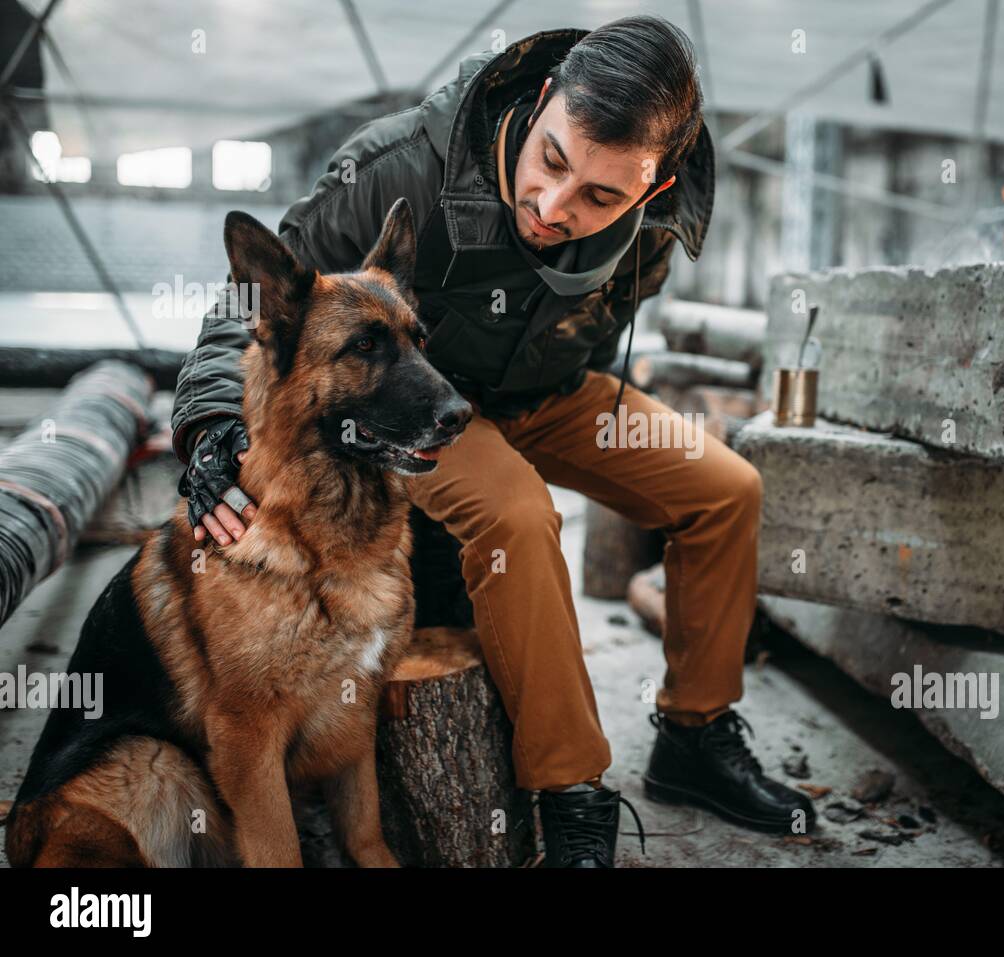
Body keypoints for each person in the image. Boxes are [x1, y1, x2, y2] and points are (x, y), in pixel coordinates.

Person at [172, 16, 815, 868]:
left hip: (551, 393)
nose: (555, 209)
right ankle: (570, 789)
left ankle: (693, 735)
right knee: (516, 512)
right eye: (553, 161)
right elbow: (254, 304)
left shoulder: (660, 231)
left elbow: (593, 336)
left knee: (725, 488)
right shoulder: (397, 164)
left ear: (652, 189)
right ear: (542, 100)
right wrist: (212, 421)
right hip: (432, 404)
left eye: (600, 197)